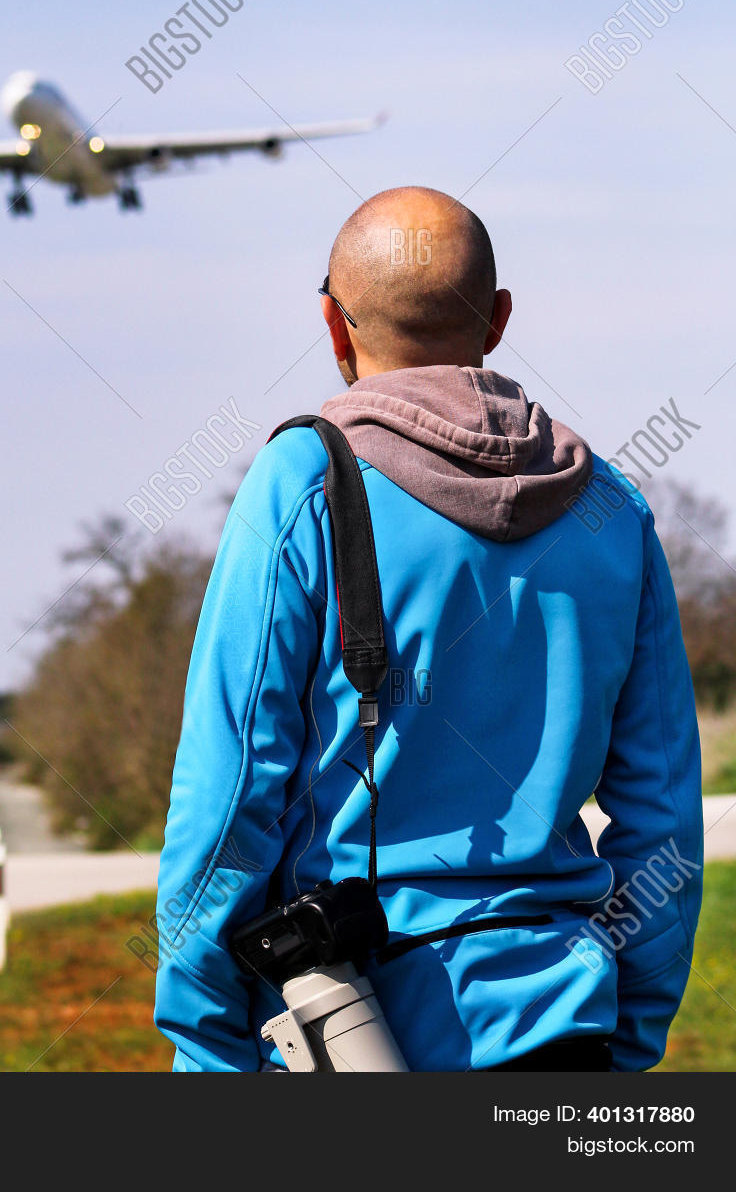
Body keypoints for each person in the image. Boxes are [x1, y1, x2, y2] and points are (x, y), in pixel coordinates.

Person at [153, 186, 702, 1071]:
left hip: (354, 1035)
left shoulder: (303, 484)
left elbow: (225, 805)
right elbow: (663, 818)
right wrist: (624, 1035)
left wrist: (206, 1045)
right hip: (565, 1033)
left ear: (333, 326)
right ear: (499, 320)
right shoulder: (613, 510)